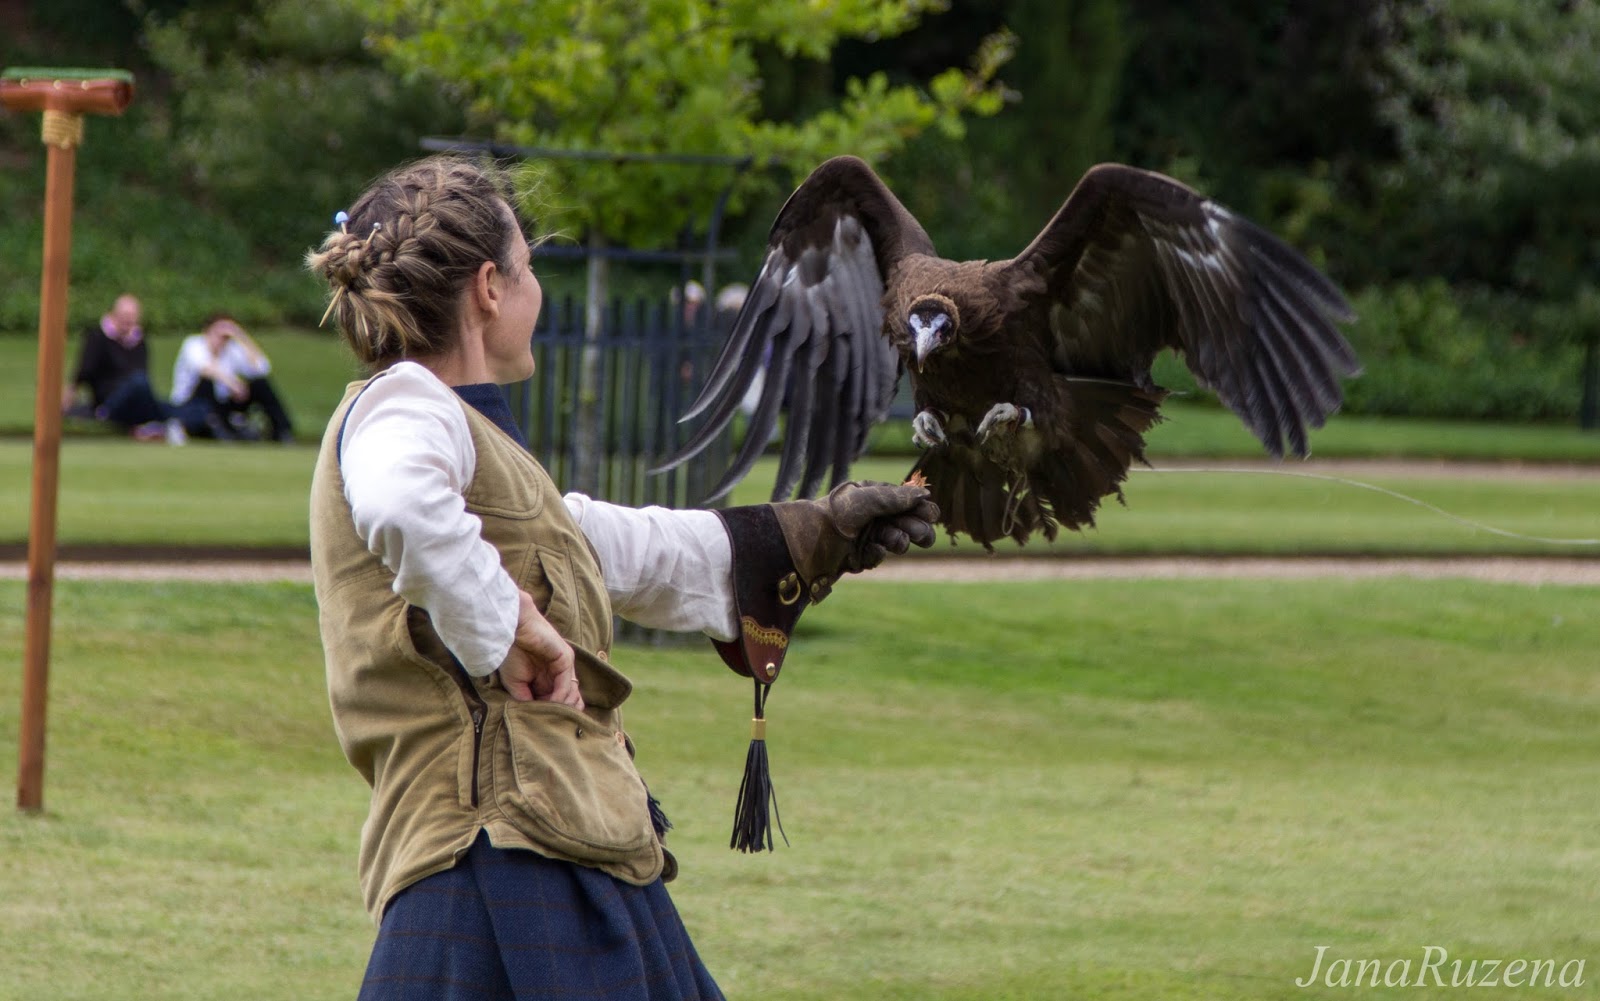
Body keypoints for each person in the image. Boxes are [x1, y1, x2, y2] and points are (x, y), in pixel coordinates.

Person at [304, 155, 937, 1001]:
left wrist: (805, 536)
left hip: (554, 844)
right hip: (490, 859)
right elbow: (403, 506)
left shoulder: (468, 444)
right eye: (530, 269)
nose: (537, 290)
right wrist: (514, 628)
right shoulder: (404, 403)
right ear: (490, 288)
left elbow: (600, 544)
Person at [65, 293, 186, 444]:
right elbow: (84, 371)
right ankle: (148, 421)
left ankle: (152, 423)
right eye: (125, 315)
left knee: (194, 409)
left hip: (136, 399)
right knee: (138, 382)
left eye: (132, 316)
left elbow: (145, 374)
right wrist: (69, 395)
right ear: (114, 314)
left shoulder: (140, 341)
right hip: (108, 399)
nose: (128, 320)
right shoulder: (97, 337)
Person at [170, 314, 296, 442]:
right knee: (207, 383)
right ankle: (219, 428)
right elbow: (204, 368)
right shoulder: (194, 344)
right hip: (194, 403)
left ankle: (281, 431)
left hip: (223, 403)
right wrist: (233, 383)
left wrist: (240, 336)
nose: (222, 339)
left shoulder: (231, 350)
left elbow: (262, 368)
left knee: (260, 384)